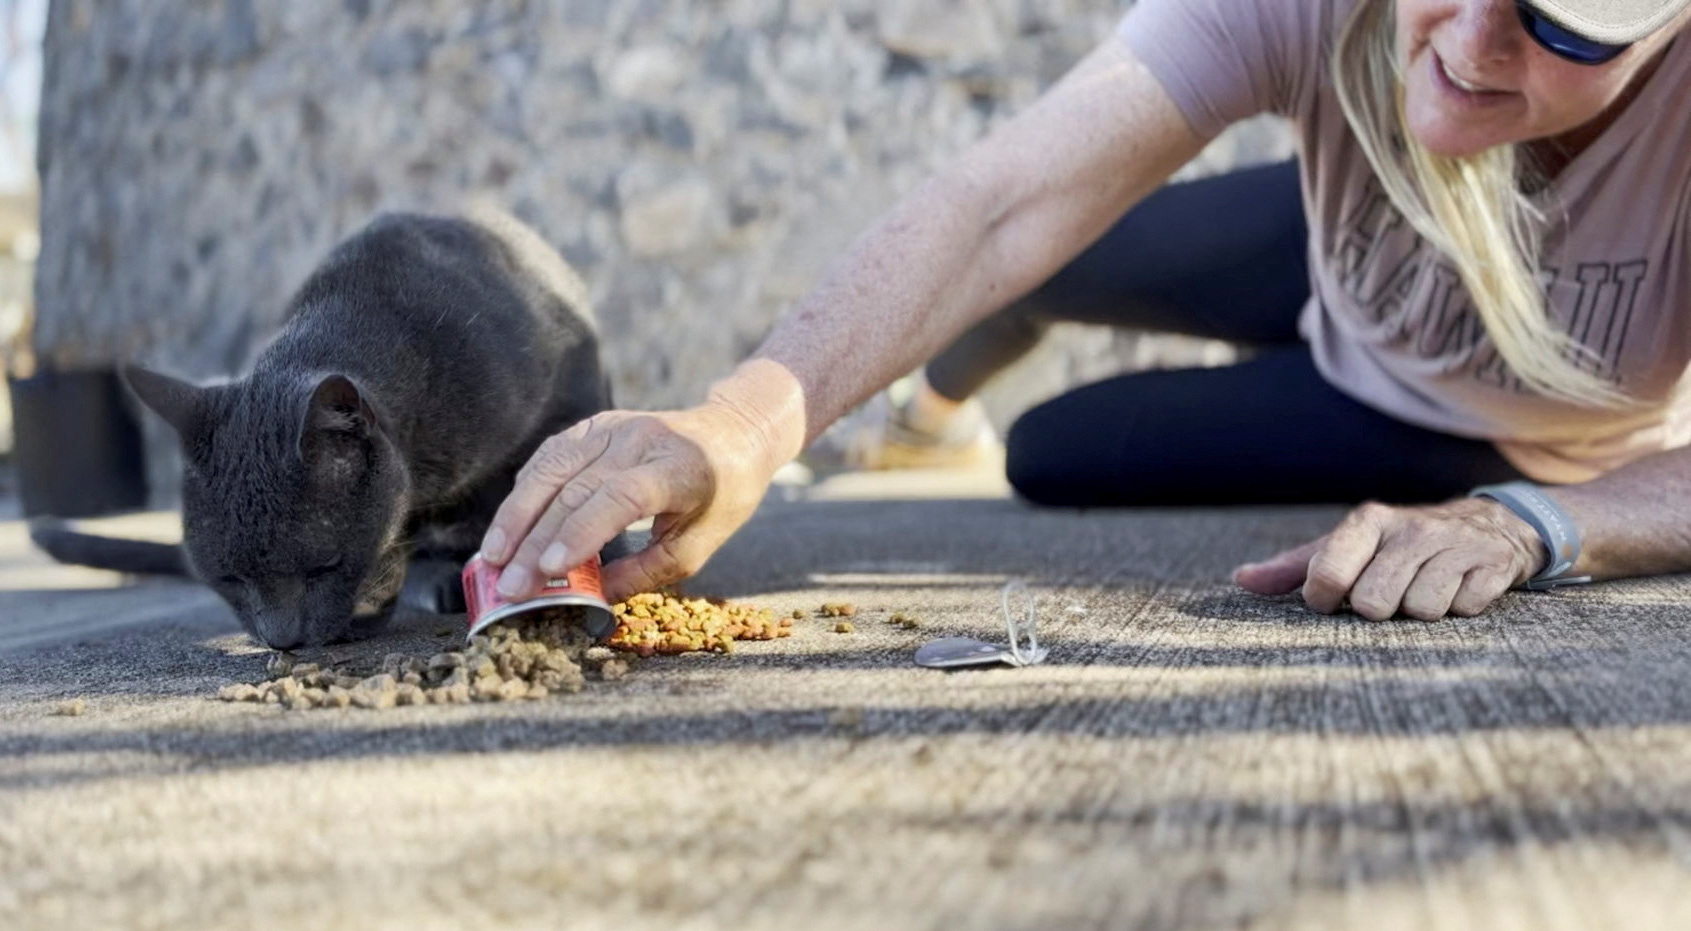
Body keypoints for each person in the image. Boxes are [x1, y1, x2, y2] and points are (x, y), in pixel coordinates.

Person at [480, 0, 1691, 623]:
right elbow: (1004, 202)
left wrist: (1540, 522)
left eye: (1559, 19)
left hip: (1476, 421)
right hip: (1334, 256)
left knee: (1054, 454)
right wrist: (741, 424)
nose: (1474, 43)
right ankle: (928, 416)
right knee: (1056, 245)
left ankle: (977, 435)